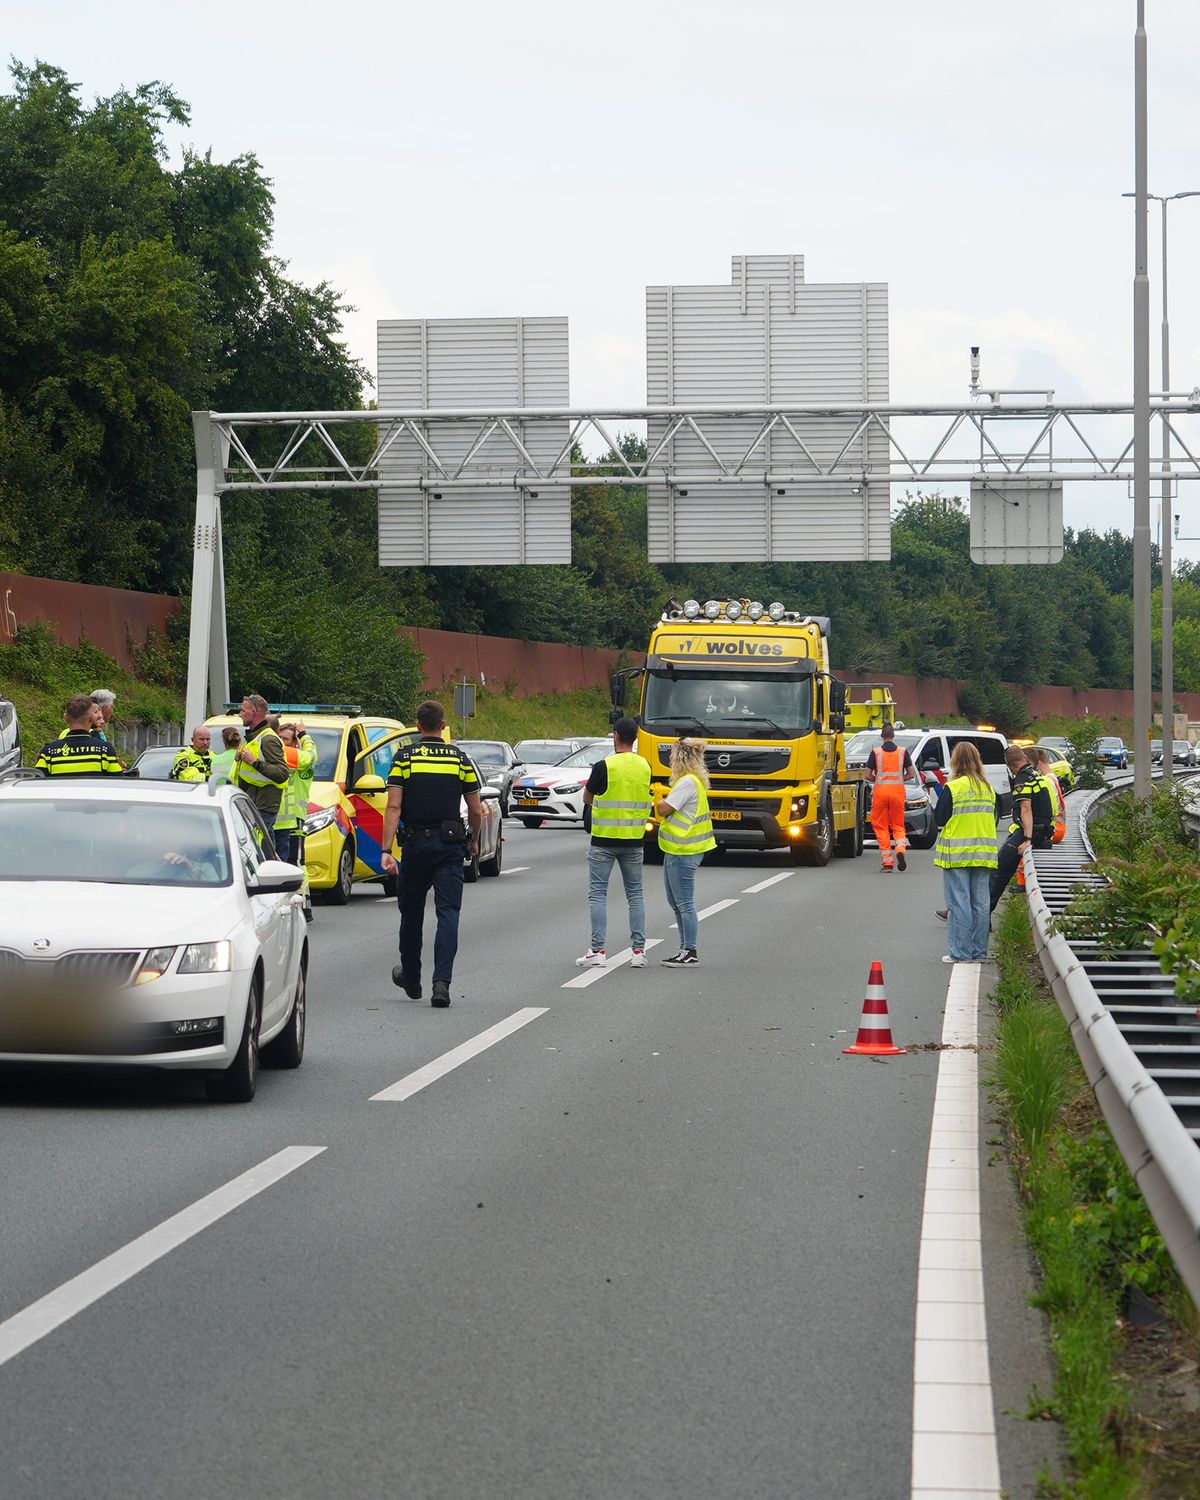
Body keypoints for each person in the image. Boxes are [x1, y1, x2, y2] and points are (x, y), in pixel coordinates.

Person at [380, 700, 482, 1008]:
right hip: (450, 846)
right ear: (444, 725)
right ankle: (441, 984)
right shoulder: (460, 759)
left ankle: (412, 978)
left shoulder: (405, 758)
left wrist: (386, 849)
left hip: (415, 846)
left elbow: (394, 806)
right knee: (448, 912)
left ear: (418, 726)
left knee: (411, 913)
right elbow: (476, 809)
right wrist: (474, 840)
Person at [576, 716, 653, 969]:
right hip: (634, 840)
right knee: (635, 894)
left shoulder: (604, 765)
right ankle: (639, 951)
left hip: (604, 840)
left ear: (616, 736)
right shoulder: (645, 766)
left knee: (598, 894)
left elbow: (587, 797)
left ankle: (598, 951)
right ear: (635, 738)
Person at [933, 741, 999, 964]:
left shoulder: (954, 787)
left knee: (959, 903)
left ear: (955, 761)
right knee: (981, 904)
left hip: (958, 853)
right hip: (984, 853)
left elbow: (939, 818)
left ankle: (960, 952)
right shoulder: (988, 789)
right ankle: (979, 952)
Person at [654, 737, 716, 967]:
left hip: (684, 849)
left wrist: (657, 798)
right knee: (676, 902)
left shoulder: (687, 783)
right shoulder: (693, 781)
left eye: (672, 756)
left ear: (679, 758)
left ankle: (689, 950)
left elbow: (664, 809)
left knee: (684, 903)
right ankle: (684, 949)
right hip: (678, 848)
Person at [989, 745, 1054, 913]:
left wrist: (1027, 839)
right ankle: (982, 913)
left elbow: (1026, 809)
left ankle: (981, 915)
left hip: (1032, 831)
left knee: (998, 871)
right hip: (1043, 829)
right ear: (1024, 758)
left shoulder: (1022, 779)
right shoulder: (1035, 774)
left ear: (1009, 764)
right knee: (1000, 871)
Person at [231, 694, 289, 834]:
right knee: (266, 845)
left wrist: (254, 762)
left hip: (262, 806)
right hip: (253, 802)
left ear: (254, 712)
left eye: (243, 710)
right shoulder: (254, 736)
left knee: (257, 845)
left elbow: (282, 773)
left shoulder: (268, 739)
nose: (240, 714)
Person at [867, 722, 918, 872]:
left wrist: (878, 779)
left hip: (881, 793)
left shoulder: (876, 752)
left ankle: (887, 863)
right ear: (894, 735)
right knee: (898, 825)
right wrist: (900, 779)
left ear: (882, 736)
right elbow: (911, 773)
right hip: (897, 793)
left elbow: (867, 774)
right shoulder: (903, 752)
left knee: (881, 826)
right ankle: (900, 849)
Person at [36, 694, 125, 776]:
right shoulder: (105, 750)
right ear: (91, 718)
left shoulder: (48, 752)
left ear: (66, 718)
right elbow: (118, 784)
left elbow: (37, 783)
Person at [273, 723, 316, 864]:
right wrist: (303, 734)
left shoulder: (296, 759)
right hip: (278, 819)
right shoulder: (278, 756)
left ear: (295, 743)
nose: (280, 742)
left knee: (295, 863)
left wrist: (303, 735)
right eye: (279, 737)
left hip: (294, 819)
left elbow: (311, 755)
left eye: (285, 739)